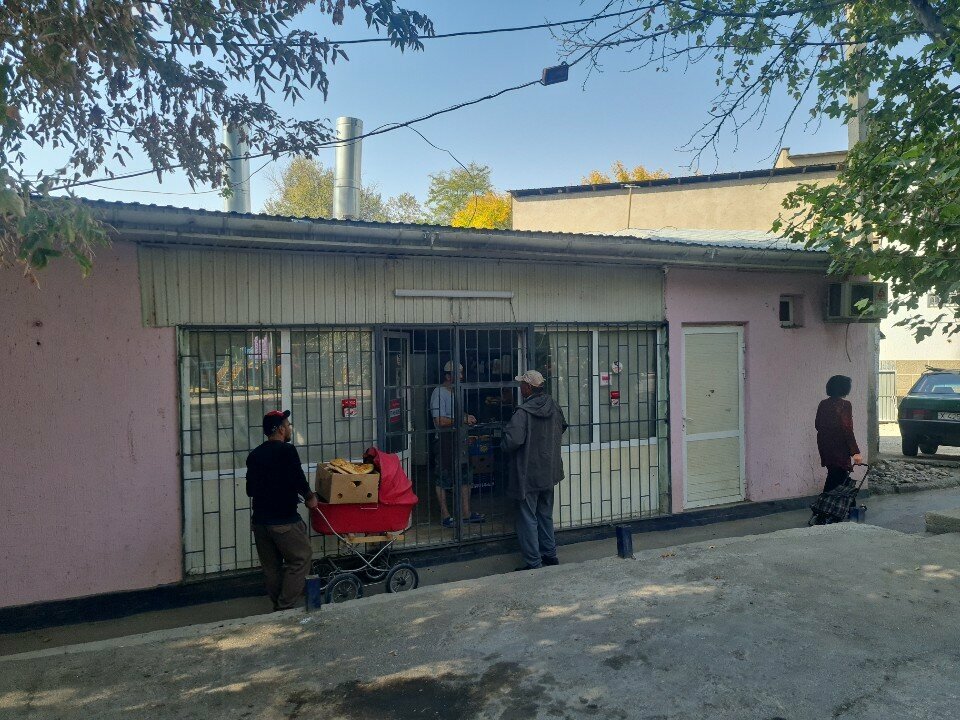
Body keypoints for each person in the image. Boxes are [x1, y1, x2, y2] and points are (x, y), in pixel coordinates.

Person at [246, 410, 318, 610]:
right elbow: (298, 478)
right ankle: (285, 606)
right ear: (279, 429)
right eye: (287, 424)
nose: (290, 428)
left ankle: (277, 609)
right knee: (301, 557)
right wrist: (310, 498)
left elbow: (250, 490)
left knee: (272, 568)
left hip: (260, 522)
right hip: (284, 520)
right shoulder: (287, 450)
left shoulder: (254, 455)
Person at [502, 370, 568, 570]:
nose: (520, 387)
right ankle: (550, 554)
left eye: (522, 384)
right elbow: (563, 426)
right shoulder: (554, 405)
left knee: (528, 518)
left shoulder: (523, 412)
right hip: (549, 472)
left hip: (528, 474)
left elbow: (512, 441)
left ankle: (533, 562)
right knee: (545, 514)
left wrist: (503, 443)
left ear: (529, 388)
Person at [430, 360, 485, 528]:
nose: (461, 376)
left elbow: (457, 414)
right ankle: (445, 515)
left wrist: (468, 416)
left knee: (465, 477)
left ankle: (466, 513)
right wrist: (462, 419)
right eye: (457, 374)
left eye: (461, 373)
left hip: (459, 440)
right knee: (443, 478)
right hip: (445, 441)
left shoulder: (455, 392)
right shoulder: (438, 393)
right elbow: (439, 420)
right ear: (448, 376)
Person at [815, 375, 863, 496]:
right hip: (839, 448)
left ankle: (847, 507)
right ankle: (823, 507)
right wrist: (855, 452)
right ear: (844, 388)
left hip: (825, 446)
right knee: (836, 479)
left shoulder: (823, 404)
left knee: (837, 476)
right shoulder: (845, 405)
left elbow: (817, 425)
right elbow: (847, 428)